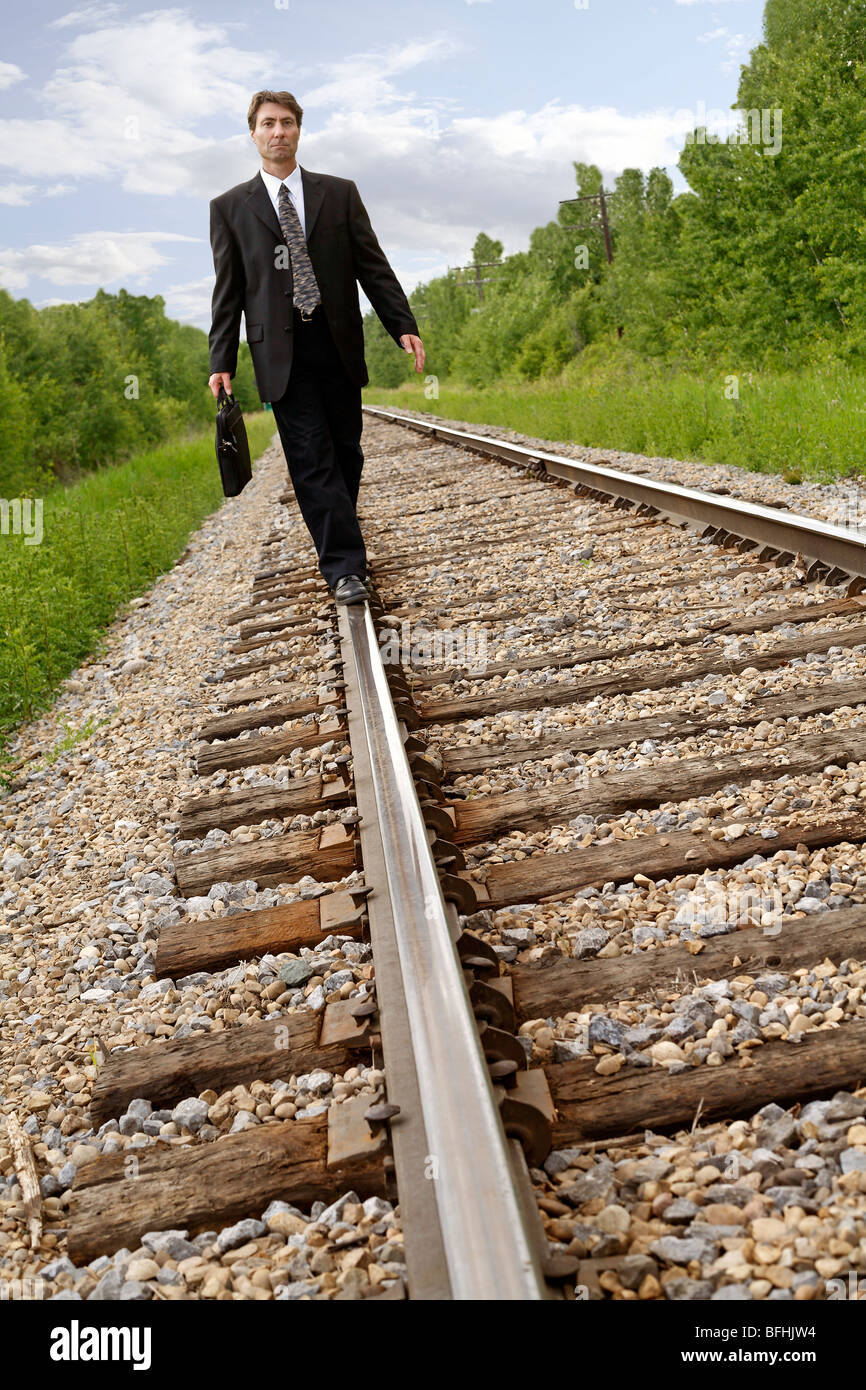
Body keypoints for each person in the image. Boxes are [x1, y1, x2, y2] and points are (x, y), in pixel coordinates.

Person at [208, 89, 425, 604]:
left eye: (286, 122)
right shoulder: (229, 208)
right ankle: (345, 568)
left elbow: (372, 265)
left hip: (338, 342)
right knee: (311, 458)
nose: (277, 132)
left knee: (346, 453)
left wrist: (402, 324)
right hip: (279, 354)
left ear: (299, 130)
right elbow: (228, 289)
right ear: (253, 133)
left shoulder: (340, 193)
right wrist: (222, 359)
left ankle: (338, 535)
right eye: (267, 124)